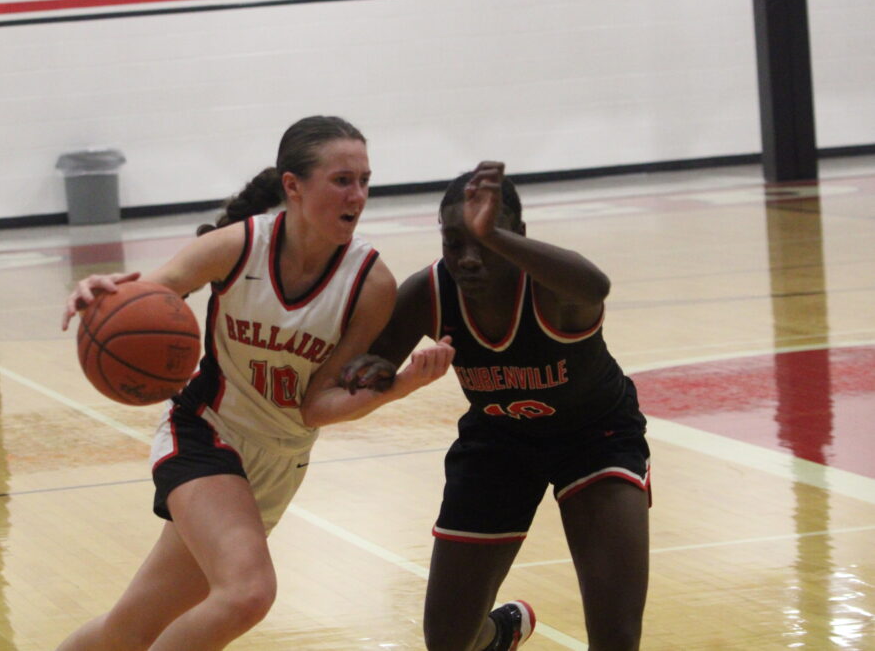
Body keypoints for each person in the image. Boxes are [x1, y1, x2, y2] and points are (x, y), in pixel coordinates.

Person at [55, 115, 456, 651]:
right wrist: (98, 293)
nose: (357, 194)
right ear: (293, 185)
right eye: (342, 180)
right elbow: (151, 293)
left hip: (280, 461)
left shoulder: (370, 283)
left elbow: (316, 406)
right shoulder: (237, 246)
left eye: (364, 180)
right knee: (248, 593)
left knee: (131, 625)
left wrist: (401, 385)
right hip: (205, 434)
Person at [341, 161, 650, 651]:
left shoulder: (553, 290)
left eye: (484, 241)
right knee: (447, 641)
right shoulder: (429, 292)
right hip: (498, 442)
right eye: (454, 242)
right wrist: (375, 373)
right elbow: (371, 365)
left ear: (517, 236)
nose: (467, 258)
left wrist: (496, 236)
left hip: (597, 439)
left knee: (615, 636)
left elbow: (596, 287)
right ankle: (498, 635)